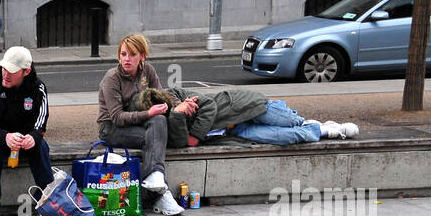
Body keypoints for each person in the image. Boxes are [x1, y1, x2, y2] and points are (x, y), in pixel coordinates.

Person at [97, 33, 183, 216]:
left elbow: (161, 95)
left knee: (159, 120)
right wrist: (148, 113)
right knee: (154, 136)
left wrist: (180, 105)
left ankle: (156, 177)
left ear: (142, 56)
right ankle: (161, 193)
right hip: (110, 128)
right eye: (123, 54)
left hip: (137, 123)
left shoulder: (148, 71)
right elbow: (117, 117)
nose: (126, 59)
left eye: (132, 54)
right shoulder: (112, 77)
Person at [0, 46, 54, 216]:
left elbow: (41, 121)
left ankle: (47, 203)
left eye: (11, 71)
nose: (5, 74)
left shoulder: (38, 88)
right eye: (3, 68)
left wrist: (33, 137)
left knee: (40, 147)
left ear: (26, 71)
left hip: (24, 136)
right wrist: (4, 137)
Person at [135, 85, 360, 147]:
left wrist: (184, 113)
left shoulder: (177, 94)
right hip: (237, 130)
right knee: (285, 138)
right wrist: (176, 115)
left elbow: (209, 106)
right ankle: (321, 130)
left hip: (243, 106)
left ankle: (308, 123)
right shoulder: (168, 118)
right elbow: (185, 142)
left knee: (291, 122)